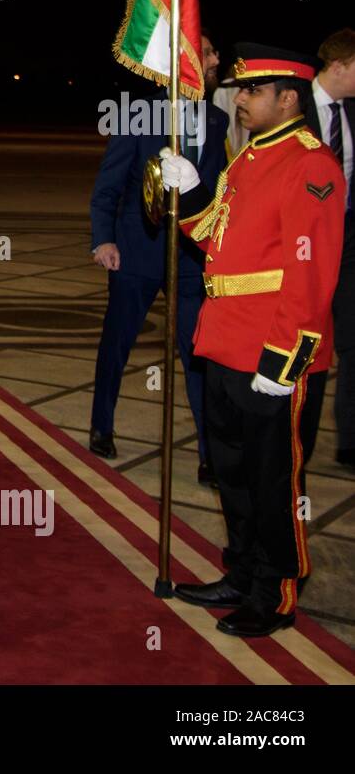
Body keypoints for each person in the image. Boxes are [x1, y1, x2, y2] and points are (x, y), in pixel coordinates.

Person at [164, 43, 345, 637]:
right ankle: (241, 573)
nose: (239, 100)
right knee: (235, 475)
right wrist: (190, 194)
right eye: (240, 90)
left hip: (272, 355)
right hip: (223, 346)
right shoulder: (247, 159)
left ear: (287, 98)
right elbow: (213, 238)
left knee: (274, 483)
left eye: (252, 92)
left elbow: (311, 271)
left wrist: (283, 360)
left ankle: (276, 592)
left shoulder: (311, 165)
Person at [88, 35, 228, 488]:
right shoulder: (138, 113)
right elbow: (109, 183)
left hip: (192, 258)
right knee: (118, 342)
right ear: (184, 59)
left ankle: (209, 453)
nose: (216, 60)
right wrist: (103, 239)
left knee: (197, 353)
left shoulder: (218, 118)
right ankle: (101, 425)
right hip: (136, 249)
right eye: (207, 53)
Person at [299, 28, 355, 467]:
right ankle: (298, 434)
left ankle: (349, 439)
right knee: (307, 338)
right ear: (339, 66)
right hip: (305, 242)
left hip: (349, 239)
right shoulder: (294, 105)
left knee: (352, 340)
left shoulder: (353, 112)